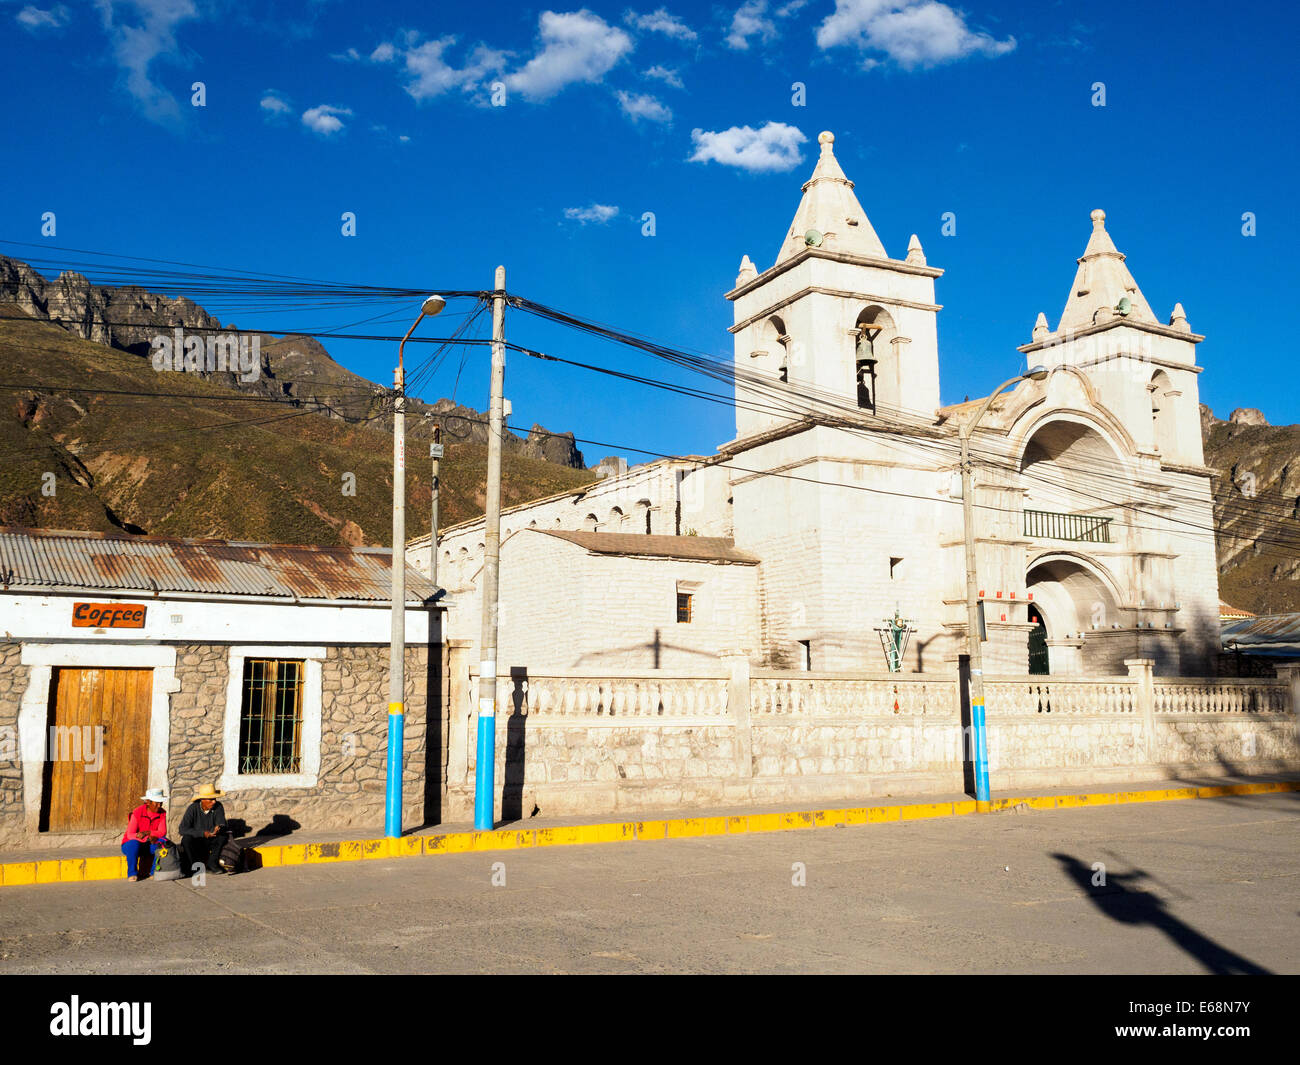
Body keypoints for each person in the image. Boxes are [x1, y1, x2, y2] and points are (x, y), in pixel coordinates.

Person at [179, 784, 230, 874]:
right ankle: (195, 866)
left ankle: (212, 863)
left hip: (212, 839)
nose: (214, 802)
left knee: (223, 836)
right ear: (202, 800)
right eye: (210, 799)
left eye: (214, 799)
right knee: (186, 839)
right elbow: (182, 829)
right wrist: (203, 833)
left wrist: (219, 827)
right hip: (198, 840)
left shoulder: (218, 806)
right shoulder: (193, 808)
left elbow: (221, 822)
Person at [121, 788, 168, 882]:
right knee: (133, 843)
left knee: (162, 842)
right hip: (132, 845)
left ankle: (154, 872)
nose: (159, 806)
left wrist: (148, 833)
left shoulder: (162, 813)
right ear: (148, 802)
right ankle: (132, 873)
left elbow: (162, 832)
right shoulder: (137, 812)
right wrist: (148, 838)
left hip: (149, 844)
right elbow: (130, 834)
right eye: (157, 803)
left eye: (161, 803)